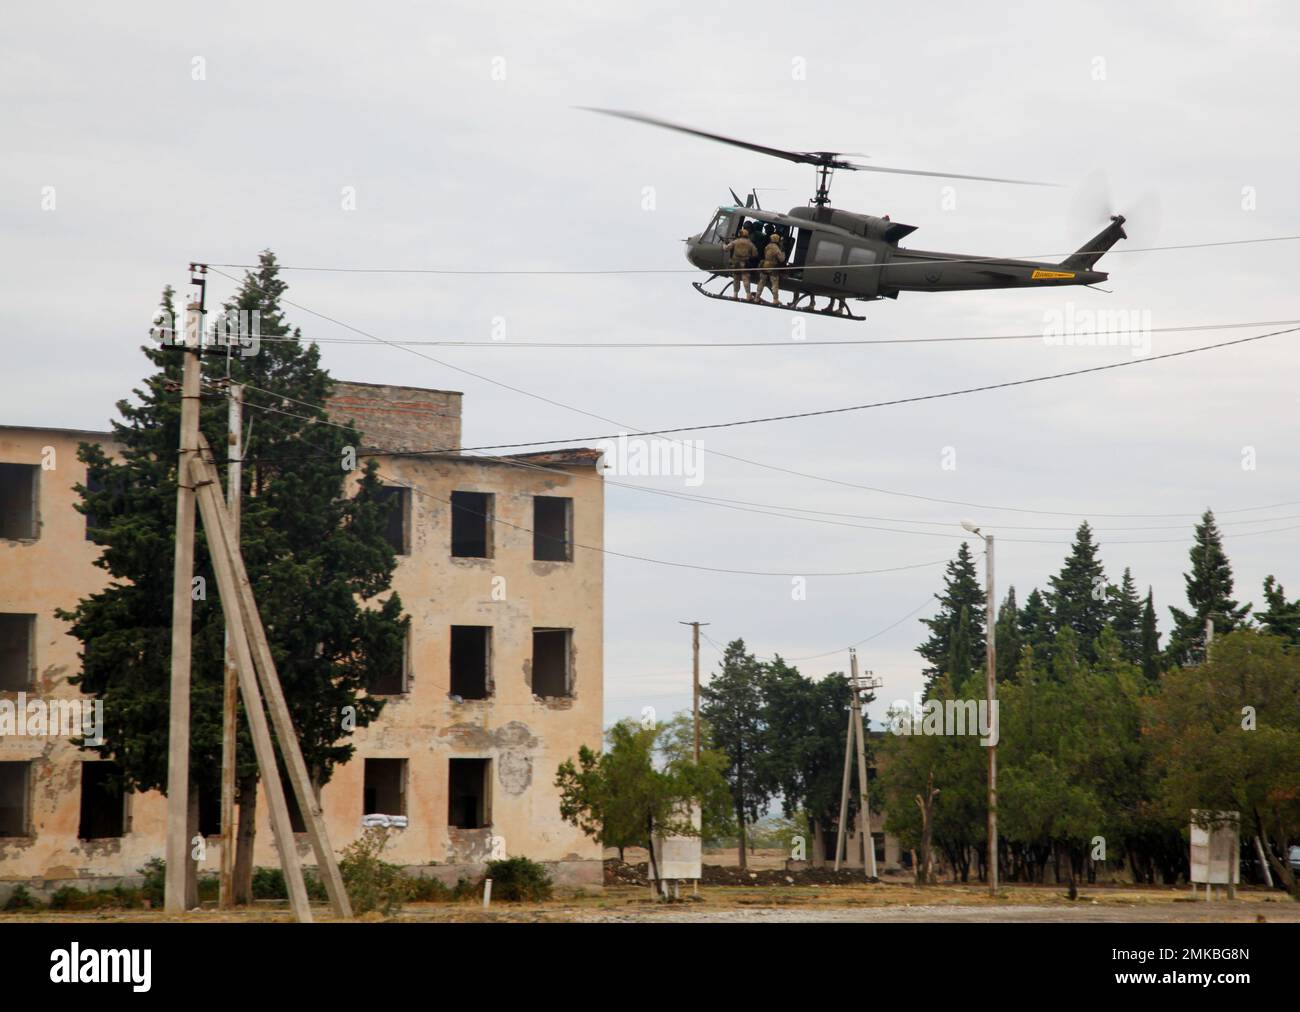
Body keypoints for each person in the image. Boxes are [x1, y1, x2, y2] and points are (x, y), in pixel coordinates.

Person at [723, 228, 758, 300]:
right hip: (745, 264)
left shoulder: (735, 242)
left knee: (736, 279)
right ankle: (748, 295)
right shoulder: (750, 243)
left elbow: (726, 249)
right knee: (746, 279)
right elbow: (755, 254)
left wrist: (724, 244)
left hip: (735, 264)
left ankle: (735, 295)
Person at [759, 231, 786, 304]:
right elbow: (781, 259)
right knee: (774, 284)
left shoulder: (767, 246)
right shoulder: (777, 248)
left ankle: (757, 297)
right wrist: (783, 252)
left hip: (765, 265)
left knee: (761, 282)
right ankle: (775, 299)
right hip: (773, 266)